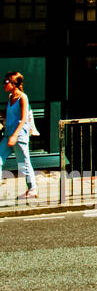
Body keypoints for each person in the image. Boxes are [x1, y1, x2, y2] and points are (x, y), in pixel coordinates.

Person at [2, 71, 39, 202]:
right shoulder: (10, 96)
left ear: (14, 84)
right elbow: (9, 115)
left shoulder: (22, 97)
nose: (3, 84)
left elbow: (23, 119)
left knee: (24, 163)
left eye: (6, 81)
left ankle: (33, 189)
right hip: (8, 135)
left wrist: (15, 136)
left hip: (19, 136)